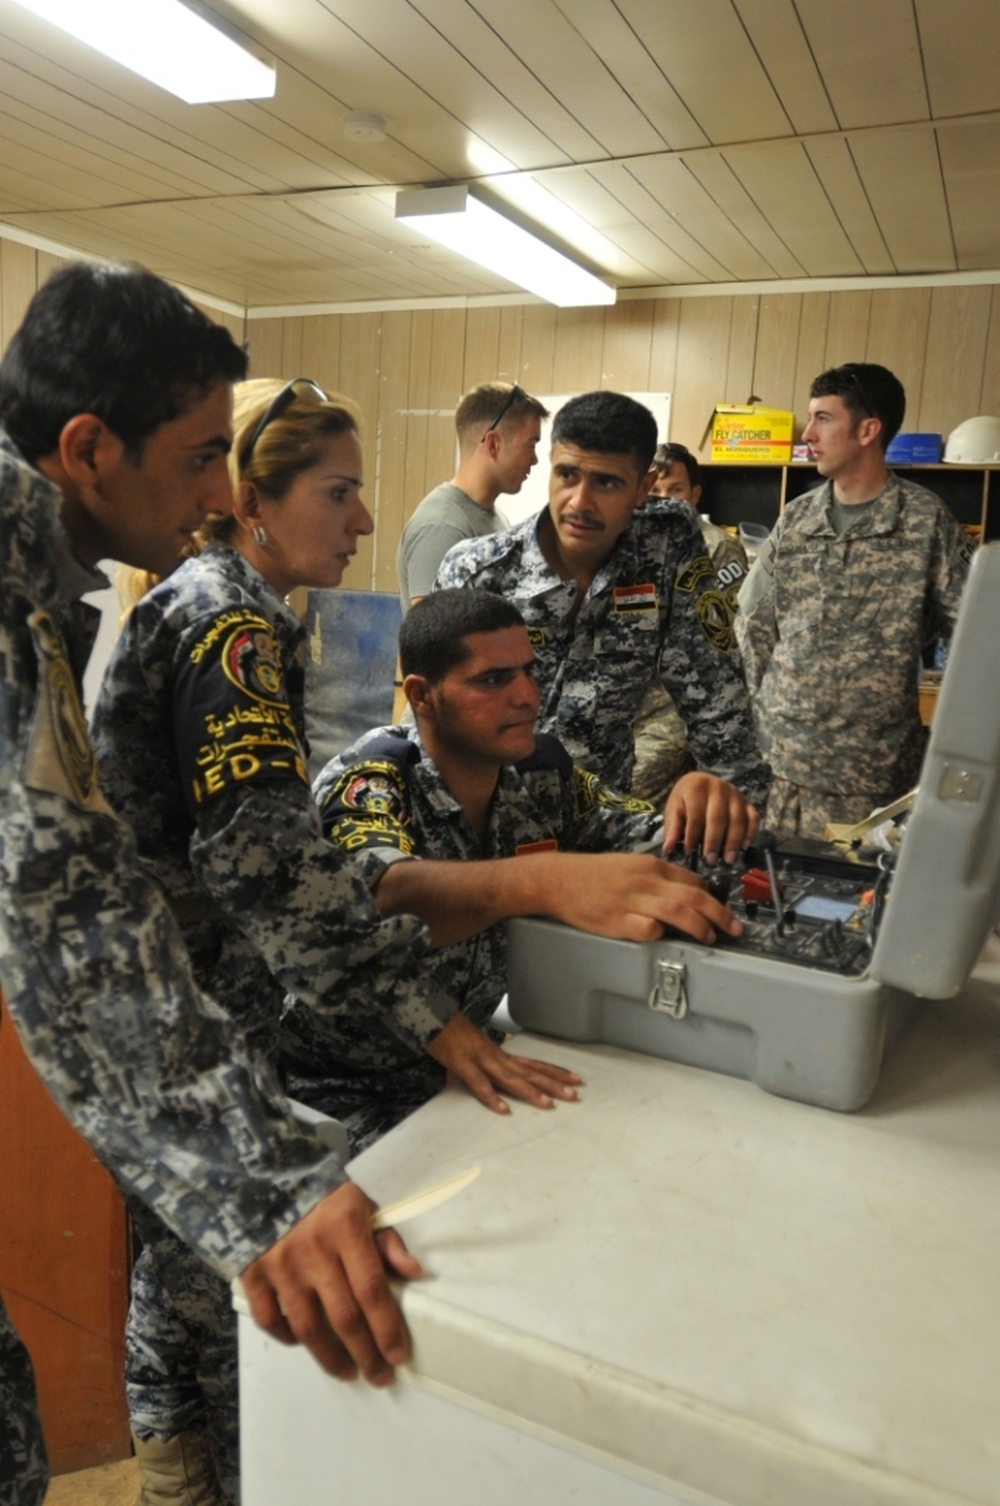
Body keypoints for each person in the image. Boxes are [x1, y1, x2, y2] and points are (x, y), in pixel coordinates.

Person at [90, 381, 577, 1504]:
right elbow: (269, 869)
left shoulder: (224, 605)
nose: (362, 521)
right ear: (251, 502)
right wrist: (439, 1025)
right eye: (339, 492)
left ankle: (172, 1470)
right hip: (185, 1021)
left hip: (180, 1010)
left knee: (185, 1270)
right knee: (236, 1305)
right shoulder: (230, 625)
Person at [0, 263, 401, 1506]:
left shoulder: (42, 588)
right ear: (88, 450)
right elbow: (69, 927)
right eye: (195, 460)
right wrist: (271, 1183)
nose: (219, 495)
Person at [279, 588, 747, 1150]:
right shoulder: (368, 782)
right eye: (494, 680)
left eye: (529, 672)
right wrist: (544, 881)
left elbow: (651, 848)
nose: (527, 695)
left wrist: (695, 806)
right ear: (422, 696)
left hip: (474, 1068)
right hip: (340, 1092)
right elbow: (378, 900)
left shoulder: (540, 775)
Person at [434, 390, 770, 864]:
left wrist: (735, 832)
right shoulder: (479, 572)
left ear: (643, 487)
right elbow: (433, 721)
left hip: (598, 827)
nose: (580, 502)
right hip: (485, 833)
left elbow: (716, 699)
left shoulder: (664, 545)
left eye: (607, 483)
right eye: (567, 475)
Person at [735, 362, 975, 839]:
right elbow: (751, 630)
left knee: (855, 887)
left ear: (868, 430)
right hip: (780, 768)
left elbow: (974, 643)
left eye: (823, 419)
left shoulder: (924, 521)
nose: (808, 434)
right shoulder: (797, 519)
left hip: (871, 780)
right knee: (772, 879)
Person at [632, 442, 749, 805]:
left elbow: (725, 642)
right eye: (655, 490)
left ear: (695, 495)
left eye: (675, 490)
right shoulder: (632, 542)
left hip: (679, 702)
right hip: (633, 696)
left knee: (633, 785)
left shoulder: (717, 547)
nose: (664, 500)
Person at [396, 381, 547, 609]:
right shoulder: (443, 527)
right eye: (531, 445)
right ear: (494, 444)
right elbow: (433, 630)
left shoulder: (494, 519)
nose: (534, 460)